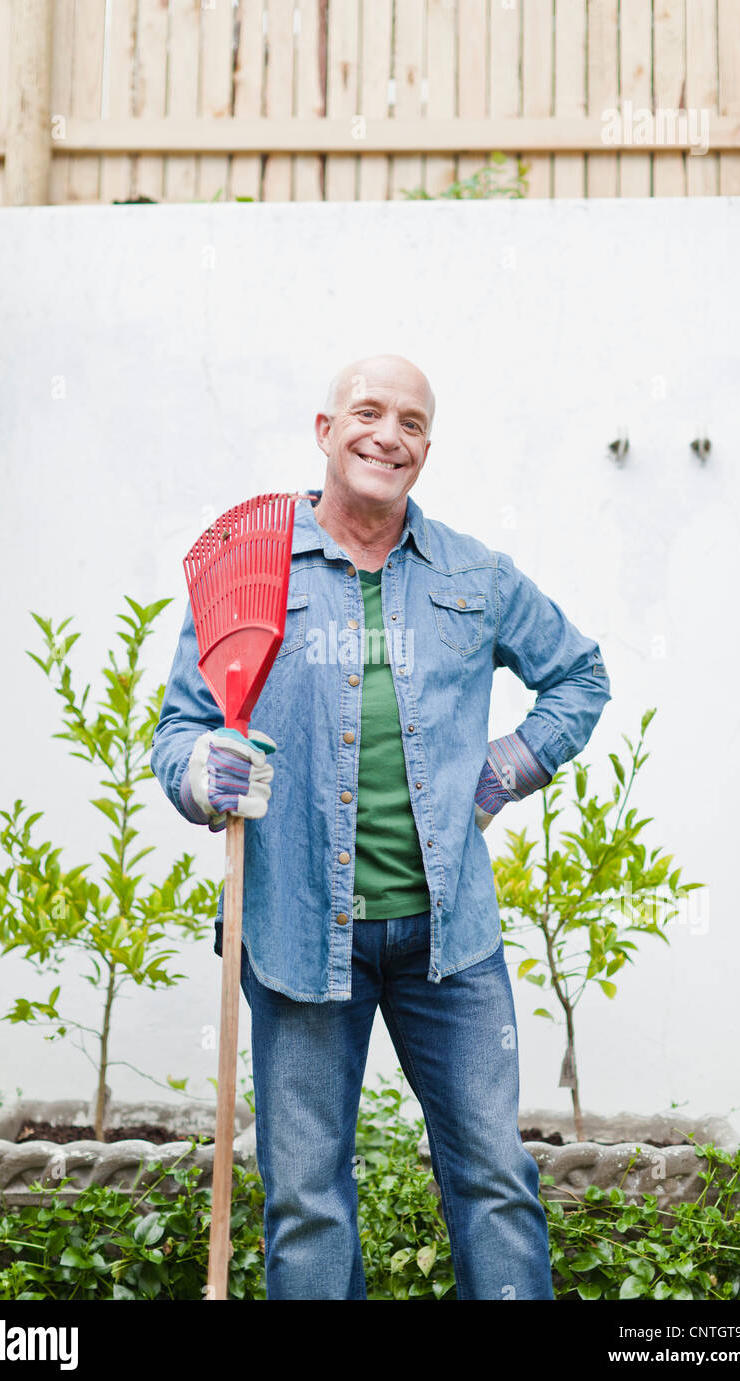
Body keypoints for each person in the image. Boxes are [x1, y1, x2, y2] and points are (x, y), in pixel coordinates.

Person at [151, 353, 611, 1300]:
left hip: (453, 945)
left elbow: (580, 677)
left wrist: (499, 774)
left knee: (494, 1182)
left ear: (425, 452)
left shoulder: (475, 575)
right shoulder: (252, 570)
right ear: (325, 432)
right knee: (308, 1200)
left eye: (410, 423)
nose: (386, 435)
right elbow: (179, 733)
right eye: (367, 412)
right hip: (295, 935)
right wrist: (204, 774)